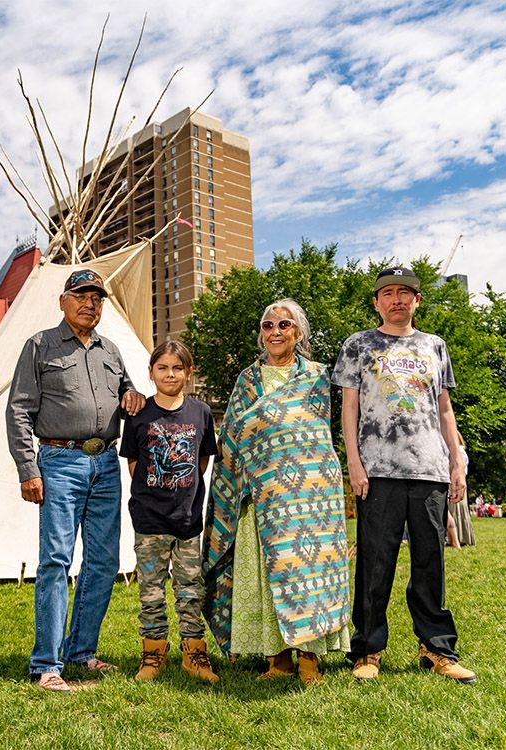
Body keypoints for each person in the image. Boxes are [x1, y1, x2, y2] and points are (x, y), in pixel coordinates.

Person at [333, 266, 476, 684]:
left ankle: (437, 649)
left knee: (430, 563)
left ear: (417, 300)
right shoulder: (358, 345)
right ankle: (368, 650)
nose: (396, 299)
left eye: (405, 293)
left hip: (430, 469)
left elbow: (445, 409)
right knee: (376, 564)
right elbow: (349, 410)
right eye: (388, 293)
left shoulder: (435, 346)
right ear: (377, 302)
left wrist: (455, 461)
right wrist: (354, 463)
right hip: (378, 471)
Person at [6, 268, 145, 693]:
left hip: (105, 464)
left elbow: (128, 393)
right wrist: (28, 468)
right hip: (59, 460)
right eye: (82, 296)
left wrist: (133, 395)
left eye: (97, 298)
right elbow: (18, 410)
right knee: (56, 560)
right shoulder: (40, 345)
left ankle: (82, 652)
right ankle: (46, 663)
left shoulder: (112, 350)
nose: (91, 304)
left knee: (103, 562)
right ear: (63, 300)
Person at [203, 299, 351, 687]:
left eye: (284, 325)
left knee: (309, 571)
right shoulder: (247, 381)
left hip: (312, 496)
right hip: (261, 492)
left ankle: (309, 657)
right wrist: (237, 484)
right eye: (268, 325)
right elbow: (232, 437)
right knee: (270, 576)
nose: (275, 332)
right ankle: (277, 657)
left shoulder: (319, 378)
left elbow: (321, 435)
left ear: (298, 332)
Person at [119, 340, 219, 683]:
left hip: (188, 519)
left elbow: (202, 461)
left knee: (191, 588)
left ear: (188, 374)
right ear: (151, 373)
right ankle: (153, 652)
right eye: (162, 367)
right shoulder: (138, 415)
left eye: (178, 368)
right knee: (151, 591)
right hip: (149, 519)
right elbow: (134, 463)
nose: (170, 374)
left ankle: (194, 652)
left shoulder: (201, 413)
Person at [449, 433, 475, 546]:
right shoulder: (460, 452)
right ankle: (456, 537)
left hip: (455, 482)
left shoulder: (459, 452)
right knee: (455, 511)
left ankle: (458, 538)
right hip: (456, 482)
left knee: (455, 510)